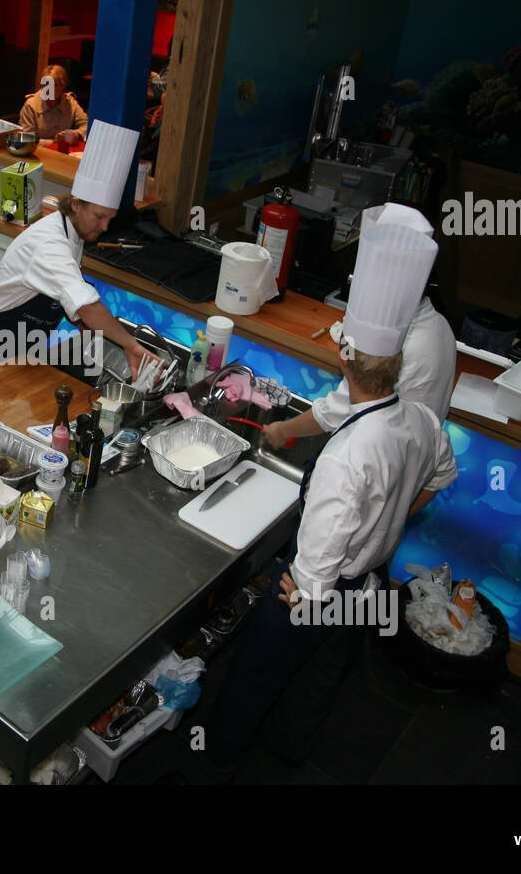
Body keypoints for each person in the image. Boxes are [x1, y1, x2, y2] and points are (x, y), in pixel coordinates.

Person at [195, 219, 458, 782]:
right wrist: (383, 525)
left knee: (256, 671)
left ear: (344, 357)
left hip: (324, 588)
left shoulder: (344, 460)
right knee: (320, 665)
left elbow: (312, 581)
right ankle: (286, 749)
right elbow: (442, 474)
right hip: (362, 585)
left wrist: (304, 588)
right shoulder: (418, 417)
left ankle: (214, 759)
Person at [0, 119, 160, 387]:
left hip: (21, 351)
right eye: (99, 217)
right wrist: (130, 345)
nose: (104, 227)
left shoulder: (72, 232)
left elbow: (65, 294)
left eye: (110, 219)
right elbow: (86, 305)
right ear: (76, 205)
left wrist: (83, 324)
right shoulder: (49, 244)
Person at [263, 204, 457, 450]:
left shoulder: (402, 345)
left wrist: (282, 430)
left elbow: (340, 407)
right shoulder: (442, 327)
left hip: (385, 455)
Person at [19, 64, 88, 148]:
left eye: (54, 85)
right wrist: (53, 142)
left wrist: (76, 134)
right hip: (38, 152)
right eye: (46, 84)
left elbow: (86, 125)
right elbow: (27, 138)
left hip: (63, 151)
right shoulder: (31, 105)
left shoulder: (70, 103)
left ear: (63, 86)